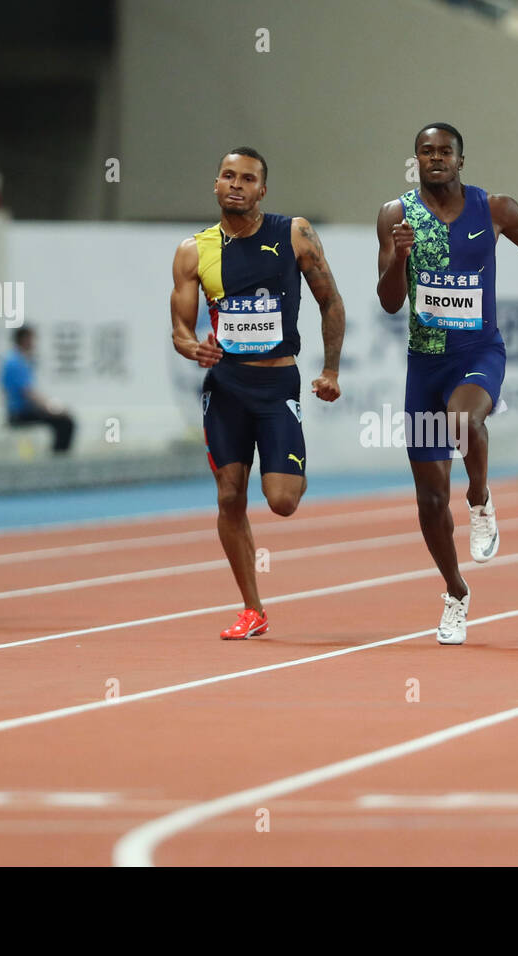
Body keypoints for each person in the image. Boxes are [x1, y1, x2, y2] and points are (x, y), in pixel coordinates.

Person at [377, 123, 518, 646]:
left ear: (461, 161)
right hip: (424, 365)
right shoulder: (396, 217)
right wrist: (399, 258)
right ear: (416, 160)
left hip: (478, 353)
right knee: (428, 501)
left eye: (445, 151)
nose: (436, 158)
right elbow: (390, 302)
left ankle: (481, 498)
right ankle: (455, 592)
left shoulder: (493, 209)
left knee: (466, 421)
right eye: (426, 152)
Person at [171, 147, 345, 639]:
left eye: (247, 178)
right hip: (225, 386)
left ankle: (287, 464)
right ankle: (253, 607)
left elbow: (330, 301)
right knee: (229, 496)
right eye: (228, 176)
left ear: (262, 190)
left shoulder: (293, 233)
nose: (236, 185)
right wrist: (193, 350)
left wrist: (330, 370)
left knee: (282, 500)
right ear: (216, 184)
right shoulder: (193, 250)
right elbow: (180, 330)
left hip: (276, 383)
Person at [1, 326, 76, 453]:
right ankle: (59, 459)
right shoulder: (15, 362)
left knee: (63, 420)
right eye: (31, 339)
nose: (34, 343)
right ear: (24, 340)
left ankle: (58, 455)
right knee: (65, 422)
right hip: (20, 413)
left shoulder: (17, 360)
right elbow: (29, 394)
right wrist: (53, 408)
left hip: (24, 410)